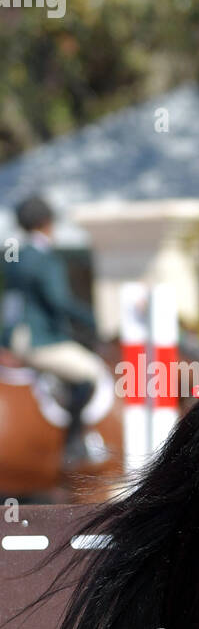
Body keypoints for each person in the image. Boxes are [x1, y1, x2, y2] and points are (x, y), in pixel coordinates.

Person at [1, 194, 112, 464]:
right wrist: (92, 320)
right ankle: (73, 444)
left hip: (13, 336)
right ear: (46, 223)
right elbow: (59, 301)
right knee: (91, 371)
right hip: (38, 339)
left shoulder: (12, 257)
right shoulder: (45, 259)